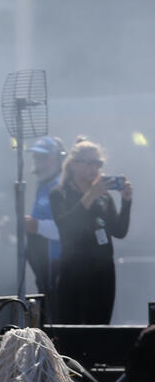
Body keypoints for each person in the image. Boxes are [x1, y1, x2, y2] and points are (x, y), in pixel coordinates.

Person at [50, 137, 134, 325]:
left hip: (103, 271)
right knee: (73, 326)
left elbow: (119, 231)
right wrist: (91, 195)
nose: (94, 168)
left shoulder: (104, 196)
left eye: (98, 163)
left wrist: (126, 202)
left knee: (100, 325)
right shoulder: (59, 193)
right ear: (73, 165)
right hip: (74, 271)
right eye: (89, 163)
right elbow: (66, 226)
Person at [24, 135, 66, 313]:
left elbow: (65, 228)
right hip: (42, 266)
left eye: (44, 156)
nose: (38, 160)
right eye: (36, 156)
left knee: (56, 311)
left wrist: (37, 226)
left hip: (56, 263)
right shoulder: (42, 184)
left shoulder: (61, 186)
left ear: (58, 159)